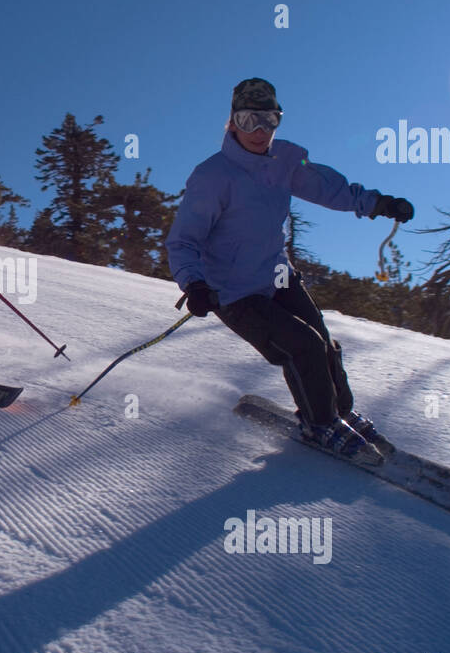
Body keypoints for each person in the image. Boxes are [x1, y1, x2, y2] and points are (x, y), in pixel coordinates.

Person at [165, 78, 414, 462]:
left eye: (270, 120)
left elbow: (330, 188)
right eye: (249, 120)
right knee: (303, 346)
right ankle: (318, 424)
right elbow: (183, 240)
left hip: (276, 275)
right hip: (232, 292)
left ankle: (339, 413)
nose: (260, 131)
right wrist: (194, 283)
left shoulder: (284, 161)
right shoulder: (213, 176)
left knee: (323, 341)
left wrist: (377, 203)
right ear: (232, 122)